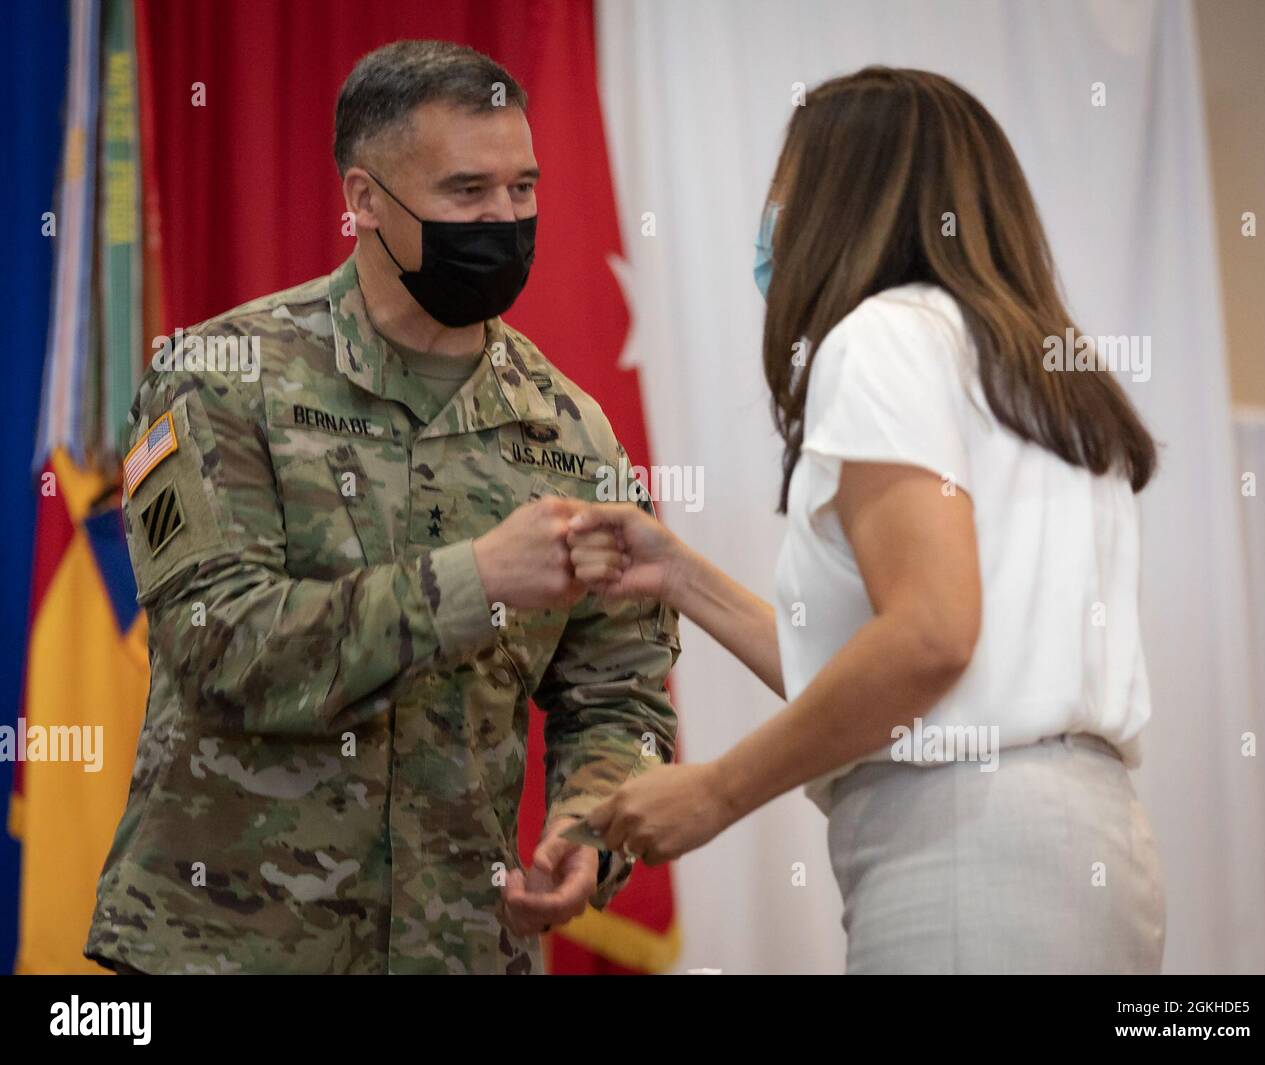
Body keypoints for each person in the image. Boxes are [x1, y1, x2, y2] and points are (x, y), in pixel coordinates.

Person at [85, 39, 679, 975]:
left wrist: (589, 830)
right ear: (364, 200)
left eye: (522, 189)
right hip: (225, 950)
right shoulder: (218, 378)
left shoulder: (572, 431)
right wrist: (474, 580)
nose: (504, 218)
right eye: (466, 192)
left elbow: (621, 692)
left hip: (463, 949)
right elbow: (219, 646)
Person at [568, 66, 1165, 974]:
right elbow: (883, 664)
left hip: (967, 853)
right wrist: (681, 575)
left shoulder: (880, 338)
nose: (772, 218)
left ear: (841, 197)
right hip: (1079, 847)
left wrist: (719, 790)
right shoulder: (1033, 371)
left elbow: (928, 640)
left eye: (785, 183)